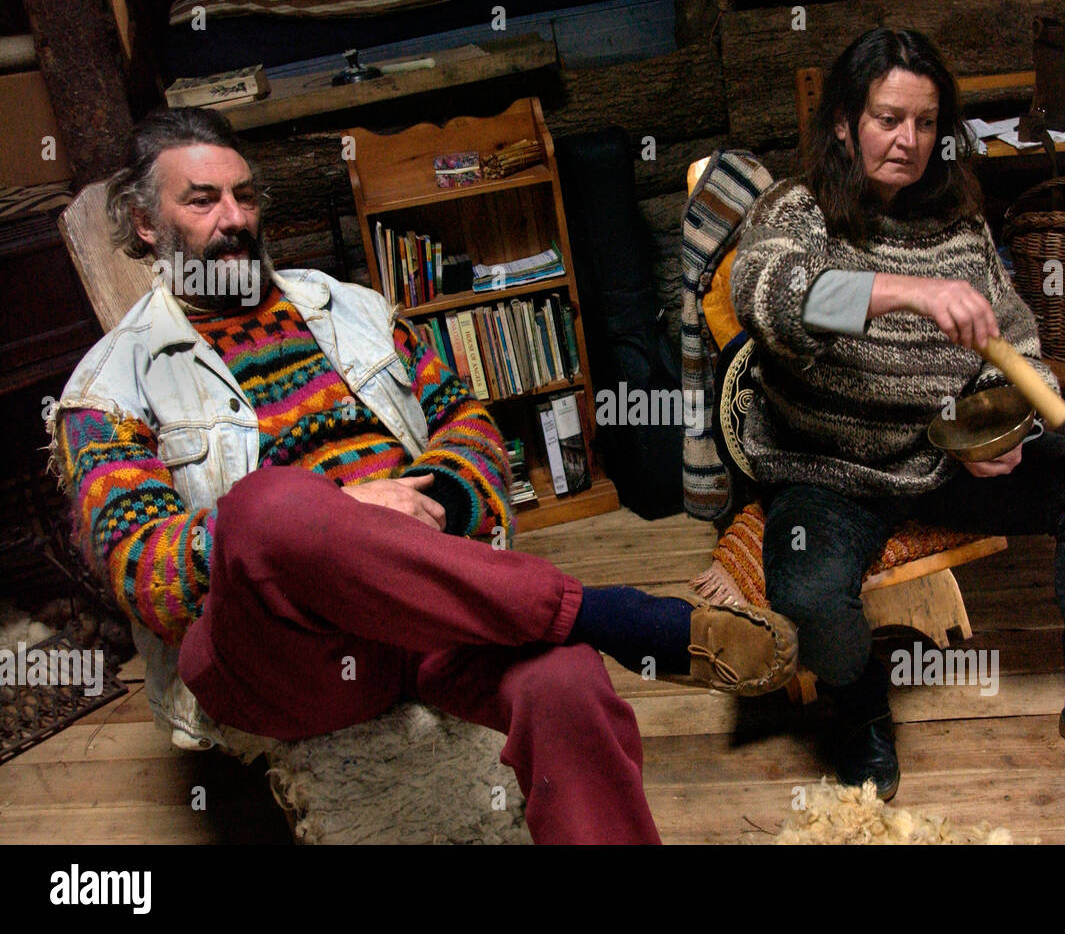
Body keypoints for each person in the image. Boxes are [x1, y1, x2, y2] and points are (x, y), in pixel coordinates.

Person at [49, 107, 798, 845]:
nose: (235, 218)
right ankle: (607, 614)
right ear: (145, 223)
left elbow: (468, 424)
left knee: (563, 678)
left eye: (244, 196)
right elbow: (144, 571)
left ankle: (573, 634)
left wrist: (419, 508)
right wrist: (339, 518)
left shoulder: (353, 311)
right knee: (268, 507)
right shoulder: (110, 387)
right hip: (285, 658)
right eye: (202, 200)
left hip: (425, 609)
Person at [730, 28, 1065, 800]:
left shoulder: (958, 224)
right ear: (845, 123)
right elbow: (769, 296)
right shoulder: (795, 209)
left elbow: (1013, 343)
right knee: (808, 594)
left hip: (941, 456)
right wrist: (907, 292)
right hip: (830, 472)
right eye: (888, 119)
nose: (908, 140)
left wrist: (1007, 427)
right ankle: (860, 716)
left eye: (925, 123)